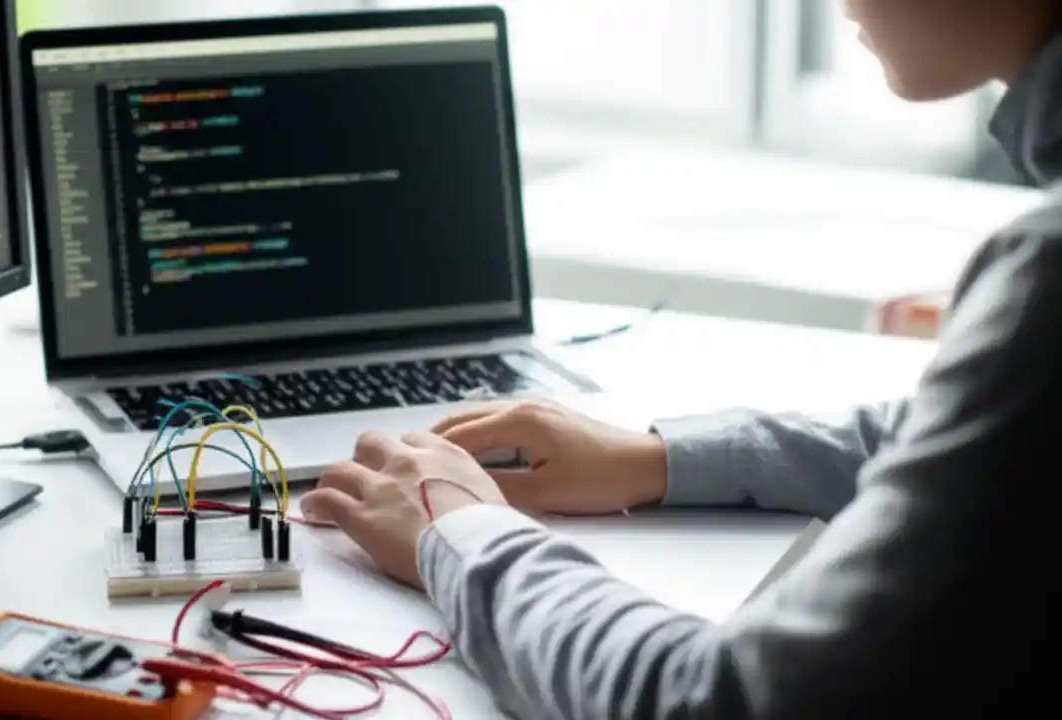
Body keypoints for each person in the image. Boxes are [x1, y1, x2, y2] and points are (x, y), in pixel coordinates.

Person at [300, 1, 1062, 717]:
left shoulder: (1044, 274)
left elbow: (714, 701)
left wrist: (458, 533)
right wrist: (660, 458)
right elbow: (967, 440)